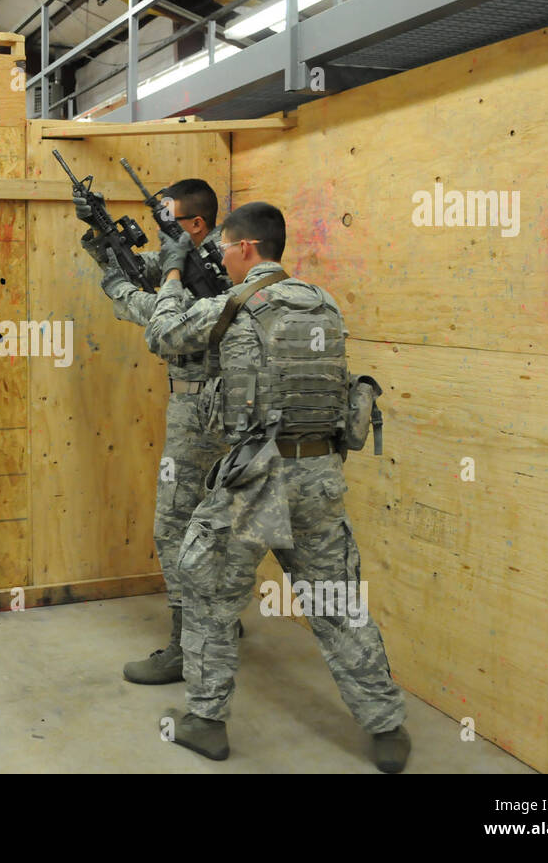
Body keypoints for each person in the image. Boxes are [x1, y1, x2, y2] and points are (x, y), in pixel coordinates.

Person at [145, 201, 410, 772]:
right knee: (337, 604)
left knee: (211, 596)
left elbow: (163, 335)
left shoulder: (235, 304)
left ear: (245, 249)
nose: (220, 258)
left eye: (223, 250)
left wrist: (170, 271)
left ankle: (207, 721)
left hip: (255, 479)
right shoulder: (324, 303)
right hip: (318, 476)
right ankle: (387, 728)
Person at [74, 180, 239, 684]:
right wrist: (102, 235)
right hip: (238, 412)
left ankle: (186, 649)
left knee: (174, 527)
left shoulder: (222, 268)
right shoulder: (205, 256)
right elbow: (138, 267)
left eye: (166, 219)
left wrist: (121, 291)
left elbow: (160, 316)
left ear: (195, 224)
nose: (158, 228)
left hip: (202, 414)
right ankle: (216, 626)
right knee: (223, 524)